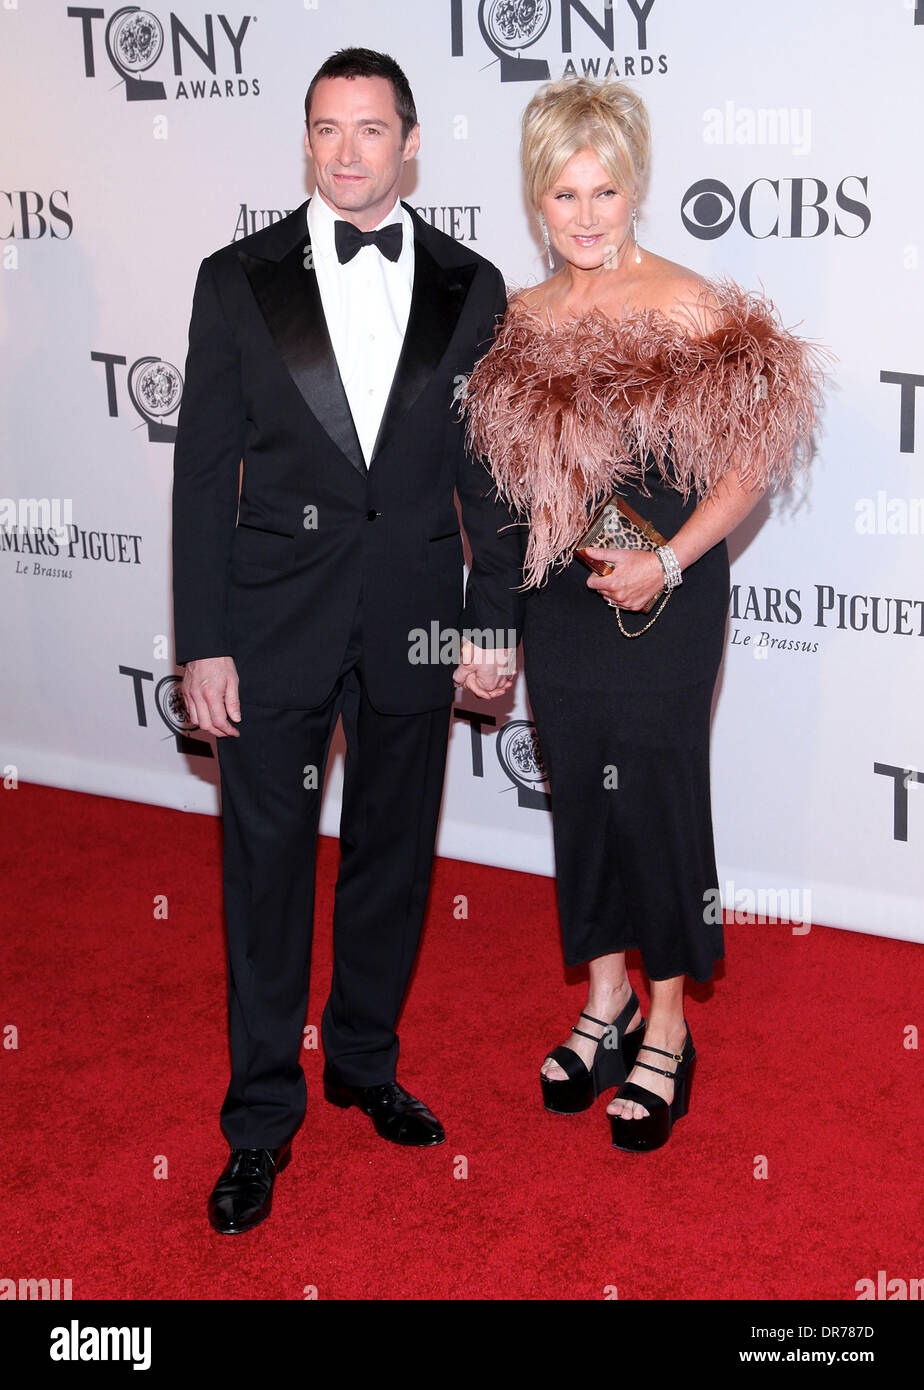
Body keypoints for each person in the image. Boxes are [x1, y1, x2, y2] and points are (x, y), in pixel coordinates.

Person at [172, 47, 521, 1233]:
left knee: (393, 850)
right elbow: (200, 472)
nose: (348, 151)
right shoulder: (235, 278)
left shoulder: (475, 285)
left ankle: (363, 1061)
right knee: (264, 869)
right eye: (328, 129)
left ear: (410, 142)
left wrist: (493, 618)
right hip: (269, 616)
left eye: (371, 130)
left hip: (420, 613)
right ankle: (261, 1119)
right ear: (306, 140)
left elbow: (497, 473)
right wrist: (201, 641)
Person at [462, 77, 827, 1152]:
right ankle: (607, 996)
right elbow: (509, 473)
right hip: (563, 600)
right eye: (563, 193)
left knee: (661, 794)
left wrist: (667, 559)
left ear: (635, 189)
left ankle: (668, 1026)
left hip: (667, 594)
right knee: (582, 792)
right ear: (537, 199)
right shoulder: (519, 320)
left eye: (604, 190)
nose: (584, 214)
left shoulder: (687, 302)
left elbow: (756, 458)